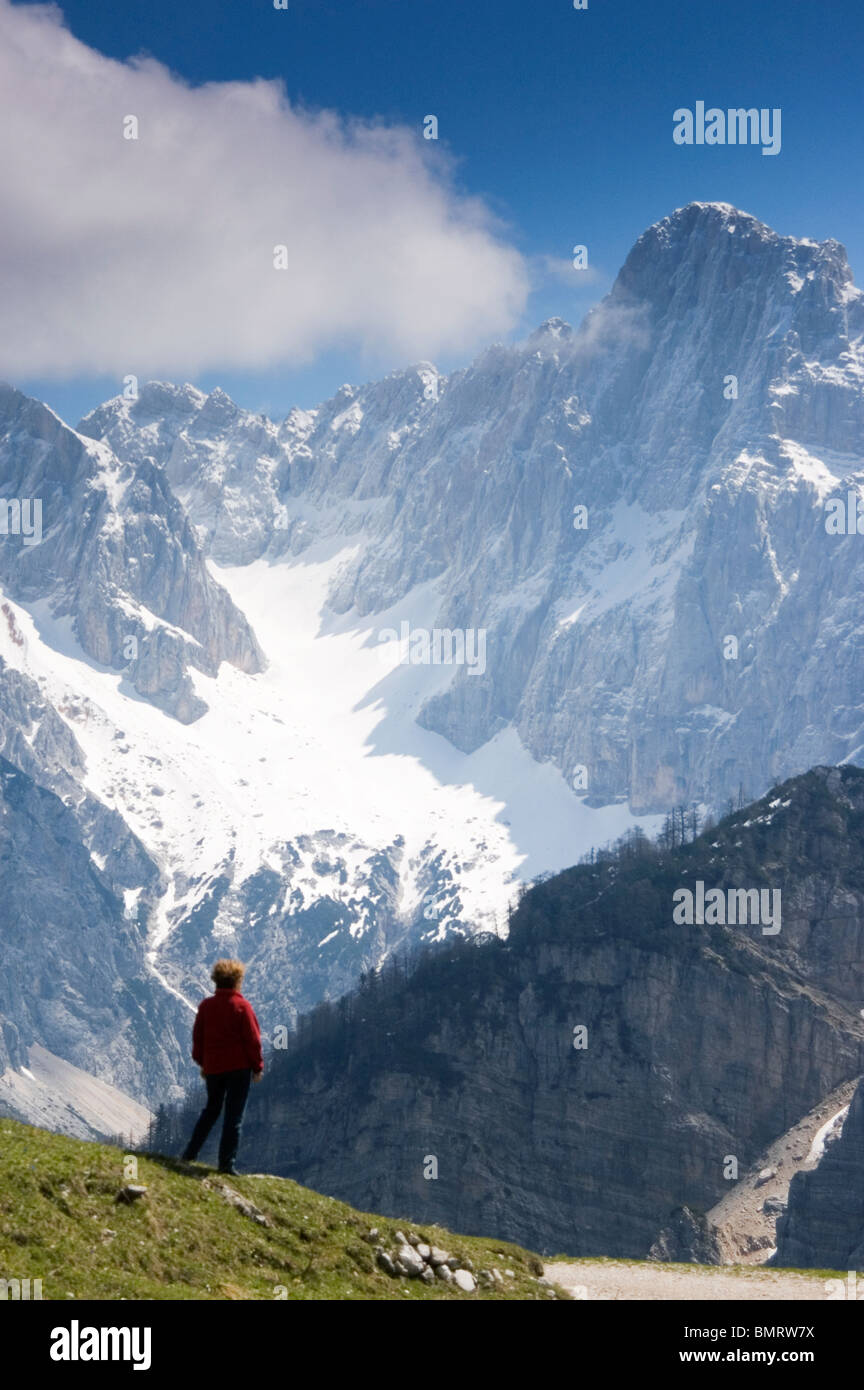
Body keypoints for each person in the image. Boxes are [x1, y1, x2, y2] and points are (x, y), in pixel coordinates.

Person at [181, 959, 263, 1175]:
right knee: (233, 1116)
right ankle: (226, 1164)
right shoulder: (242, 1007)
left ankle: (189, 1153)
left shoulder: (206, 1006)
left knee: (210, 1111)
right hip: (239, 1069)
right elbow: (253, 1040)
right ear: (237, 981)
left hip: (214, 1069)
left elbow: (198, 1038)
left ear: (216, 980)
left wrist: (203, 1063)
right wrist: (257, 1066)